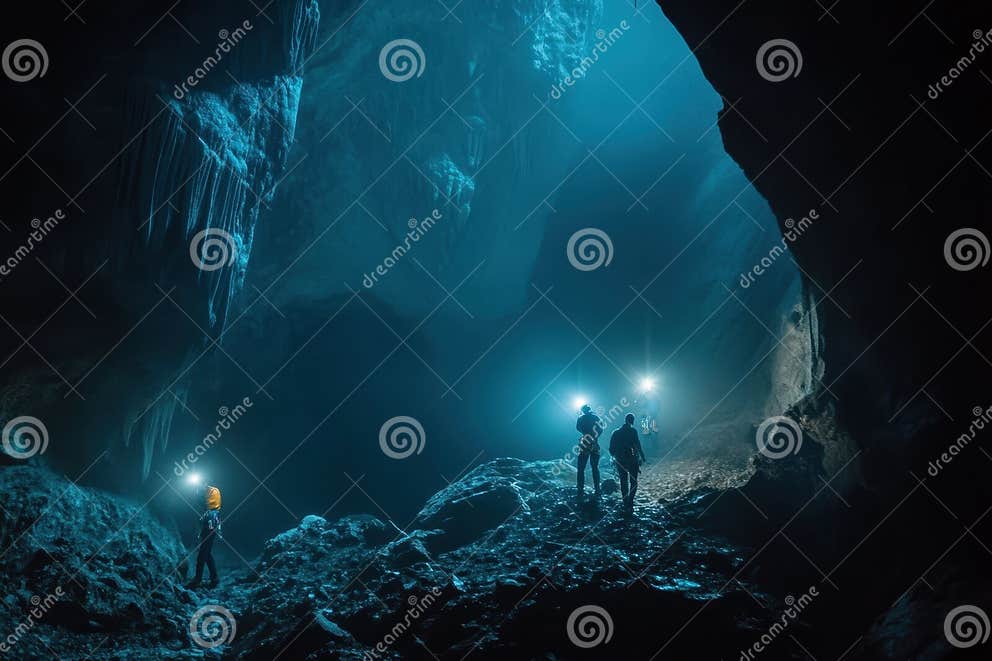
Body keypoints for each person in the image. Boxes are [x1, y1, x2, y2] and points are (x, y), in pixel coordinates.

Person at [186, 484, 222, 589]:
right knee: (207, 554)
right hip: (210, 526)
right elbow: (203, 505)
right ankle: (214, 578)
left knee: (202, 555)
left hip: (211, 527)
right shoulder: (211, 509)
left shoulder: (213, 493)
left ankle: (197, 580)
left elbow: (208, 506)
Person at [609, 413, 646, 512]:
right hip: (632, 459)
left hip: (620, 460)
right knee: (633, 481)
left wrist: (616, 456)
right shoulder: (633, 431)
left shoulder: (616, 432)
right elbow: (637, 445)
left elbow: (611, 449)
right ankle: (630, 501)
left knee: (623, 481)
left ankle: (625, 502)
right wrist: (642, 456)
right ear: (632, 421)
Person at [575, 404, 603, 497]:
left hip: (585, 443)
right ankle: (597, 488)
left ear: (583, 410)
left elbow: (578, 428)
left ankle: (580, 488)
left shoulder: (581, 418)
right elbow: (601, 429)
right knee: (595, 467)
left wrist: (585, 433)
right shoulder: (596, 417)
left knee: (581, 468)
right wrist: (595, 437)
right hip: (594, 443)